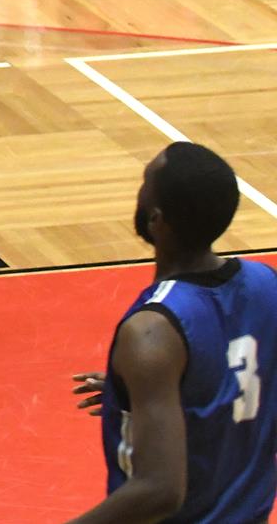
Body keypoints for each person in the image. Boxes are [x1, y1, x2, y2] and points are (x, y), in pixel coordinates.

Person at [66, 141, 277, 524]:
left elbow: (159, 491)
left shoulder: (152, 333)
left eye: (144, 180)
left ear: (155, 220)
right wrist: (139, 388)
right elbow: (241, 386)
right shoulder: (265, 284)